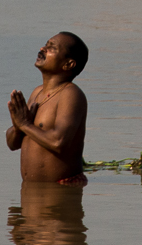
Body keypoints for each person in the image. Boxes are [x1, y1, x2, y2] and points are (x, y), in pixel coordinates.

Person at [6, 32, 89, 185]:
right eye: (46, 44)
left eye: (52, 48)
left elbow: (59, 142)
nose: (42, 49)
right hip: (32, 192)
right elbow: (12, 144)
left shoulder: (70, 94)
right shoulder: (37, 93)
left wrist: (25, 124)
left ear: (68, 64)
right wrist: (18, 127)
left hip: (61, 191)